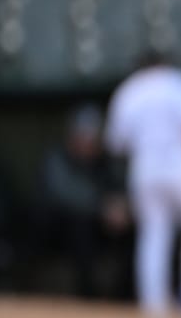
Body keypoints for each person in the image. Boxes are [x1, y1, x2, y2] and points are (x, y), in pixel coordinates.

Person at [105, 50, 181, 318]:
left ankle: (153, 306)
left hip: (144, 169)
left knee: (154, 232)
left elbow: (115, 143)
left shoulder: (128, 90)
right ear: (164, 64)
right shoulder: (178, 81)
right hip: (180, 165)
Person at [36, 105, 131, 298]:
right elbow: (64, 194)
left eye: (93, 138)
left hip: (101, 226)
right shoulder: (57, 158)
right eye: (84, 137)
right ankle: (87, 297)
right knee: (80, 226)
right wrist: (102, 208)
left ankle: (124, 297)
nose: (89, 143)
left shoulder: (106, 161)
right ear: (72, 137)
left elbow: (121, 186)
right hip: (58, 229)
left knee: (131, 231)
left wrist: (122, 206)